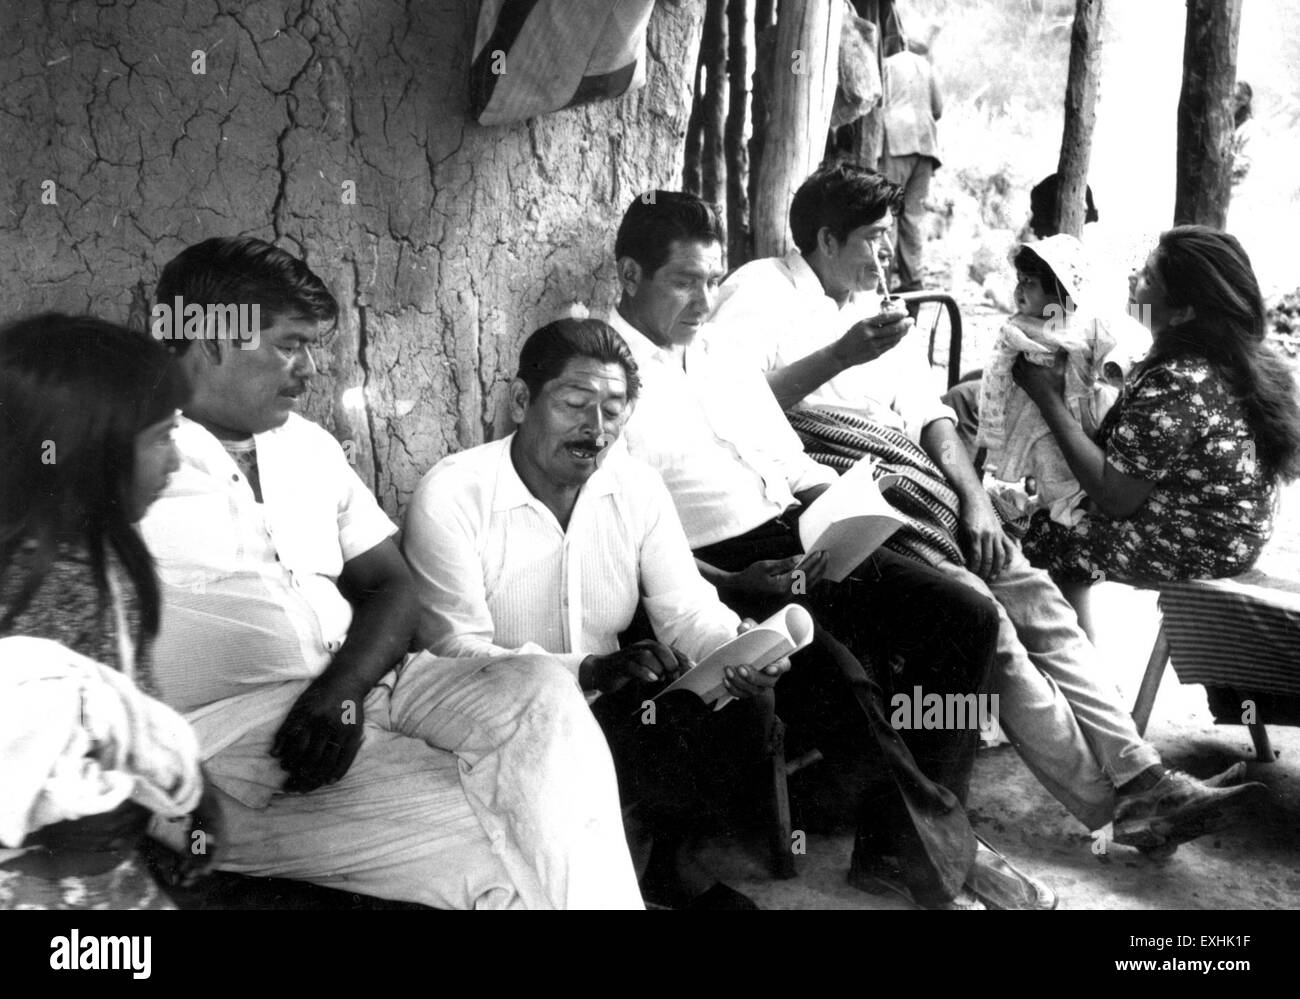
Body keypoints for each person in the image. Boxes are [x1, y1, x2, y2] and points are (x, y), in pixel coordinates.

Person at [709, 165, 1261, 857]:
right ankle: (1116, 806)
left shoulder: (870, 302)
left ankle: (1143, 775)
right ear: (825, 238)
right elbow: (730, 407)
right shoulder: (759, 293)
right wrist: (840, 356)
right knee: (987, 621)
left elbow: (928, 413)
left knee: (1039, 599)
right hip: (830, 496)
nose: (886, 257)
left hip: (917, 481)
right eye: (874, 240)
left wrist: (974, 500)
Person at [137, 236, 642, 909]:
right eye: (291, 344)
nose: (310, 368)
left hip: (372, 687)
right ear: (210, 339)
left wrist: (344, 687)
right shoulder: (129, 455)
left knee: (543, 693)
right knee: (506, 835)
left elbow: (391, 584)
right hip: (236, 748)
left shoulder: (308, 446)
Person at [609, 190, 1057, 911]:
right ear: (629, 275)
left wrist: (839, 507)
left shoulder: (716, 350)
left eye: (709, 280)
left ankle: (895, 844)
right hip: (713, 571)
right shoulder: (605, 374)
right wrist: (732, 576)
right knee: (846, 677)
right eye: (683, 282)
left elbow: (787, 456)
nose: (701, 301)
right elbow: (621, 531)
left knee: (962, 614)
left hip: (801, 534)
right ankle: (945, 855)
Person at [404, 317, 789, 909]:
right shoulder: (454, 494)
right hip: (500, 736)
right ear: (520, 400)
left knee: (746, 702)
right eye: (574, 404)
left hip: (611, 718)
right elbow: (454, 654)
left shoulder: (636, 487)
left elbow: (687, 611)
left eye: (613, 410)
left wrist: (738, 645)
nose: (595, 428)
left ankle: (667, 861)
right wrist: (587, 670)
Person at [0, 314, 221, 909]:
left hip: (99, 873)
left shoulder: (105, 560)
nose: (175, 464)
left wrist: (196, 792)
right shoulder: (30, 585)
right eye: (161, 437)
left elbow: (129, 709)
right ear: (86, 450)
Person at [1017, 225, 1300, 594]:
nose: (1134, 276)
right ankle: (1075, 643)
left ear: (1182, 312)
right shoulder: (1237, 358)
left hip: (1193, 547)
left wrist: (1049, 399)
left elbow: (1114, 497)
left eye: (1149, 277)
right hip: (1232, 536)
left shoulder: (1179, 380)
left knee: (1023, 535)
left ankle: (1065, 650)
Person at [977, 234, 1148, 526]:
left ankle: (1084, 502)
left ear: (1059, 289)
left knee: (1087, 459)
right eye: (1019, 281)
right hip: (1035, 415)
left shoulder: (1086, 324)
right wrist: (991, 425)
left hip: (1084, 408)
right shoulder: (1018, 328)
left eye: (1030, 282)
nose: (1019, 290)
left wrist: (1117, 369)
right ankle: (1059, 513)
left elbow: (1112, 348)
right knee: (1049, 466)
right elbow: (996, 371)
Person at [879, 33, 943, 292]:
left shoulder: (886, 65)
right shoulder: (927, 68)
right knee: (914, 217)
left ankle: (881, 280)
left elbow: (876, 102)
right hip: (926, 146)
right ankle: (912, 282)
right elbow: (938, 109)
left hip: (896, 142)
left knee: (887, 213)